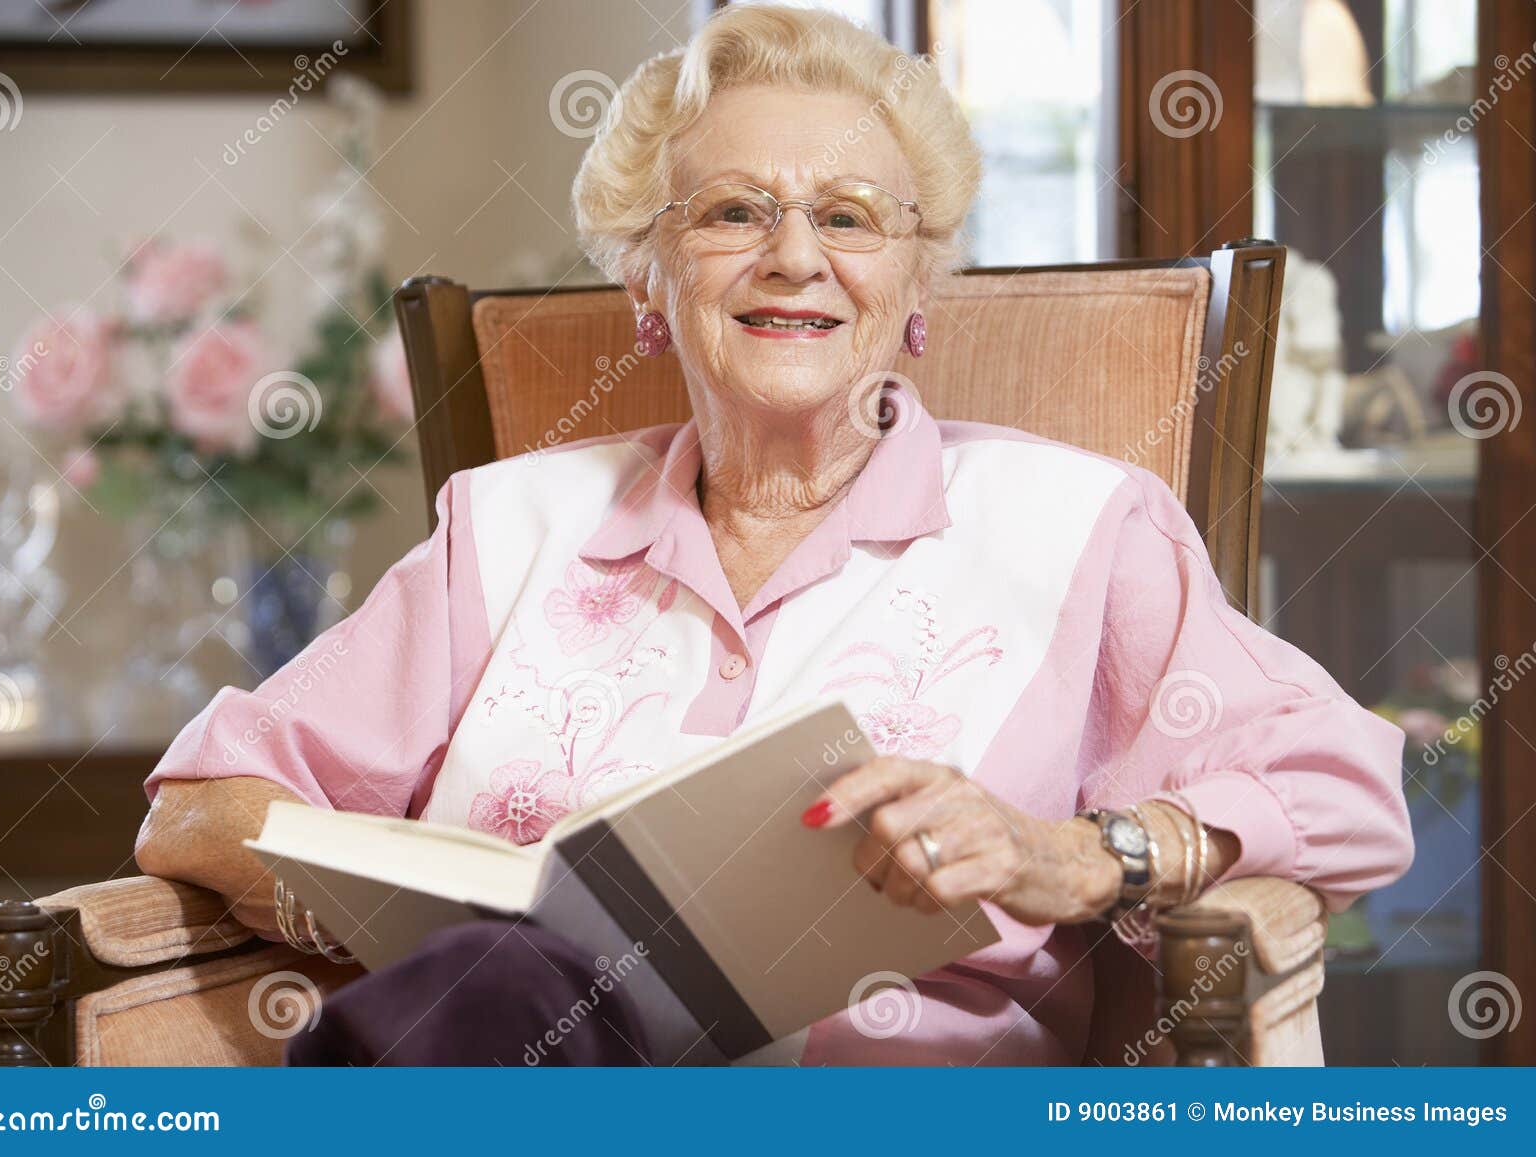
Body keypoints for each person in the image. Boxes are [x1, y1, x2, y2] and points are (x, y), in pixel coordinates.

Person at [134, 4, 1413, 1066]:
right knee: (497, 976)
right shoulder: (508, 526)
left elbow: (1343, 788)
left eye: (852, 217)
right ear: (649, 281)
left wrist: (1067, 854)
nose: (794, 256)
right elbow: (196, 807)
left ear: (917, 287)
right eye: (733, 212)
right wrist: (407, 895)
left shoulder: (1078, 524)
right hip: (509, 1056)